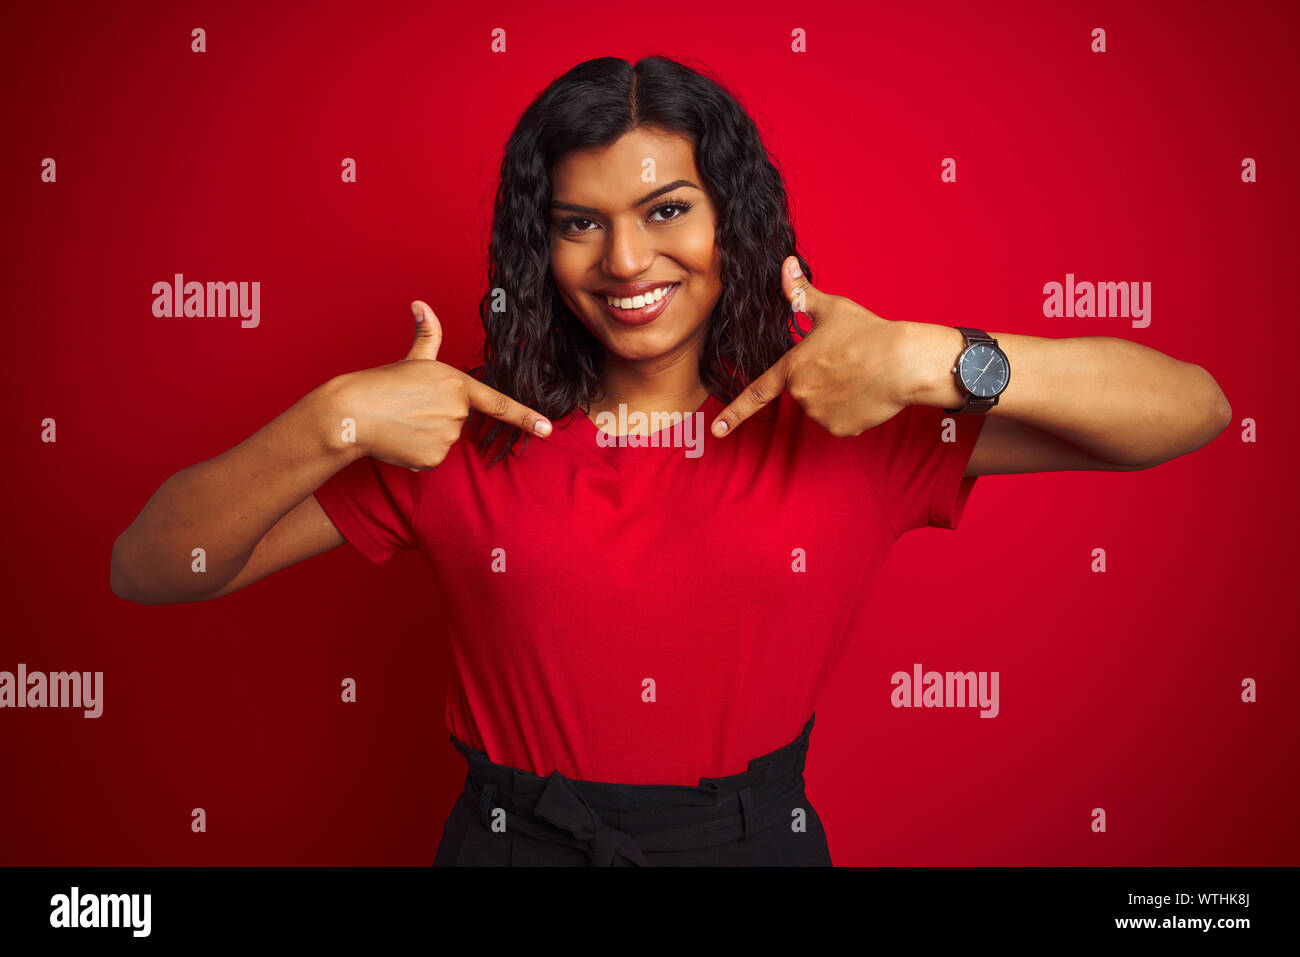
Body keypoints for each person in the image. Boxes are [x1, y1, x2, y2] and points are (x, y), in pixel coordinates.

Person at [110, 55, 1232, 866]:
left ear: (730, 219)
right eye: (579, 222)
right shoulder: (451, 432)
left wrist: (936, 356)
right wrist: (337, 414)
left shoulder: (846, 422)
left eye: (667, 209)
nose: (628, 259)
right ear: (537, 248)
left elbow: (1189, 409)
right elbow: (156, 565)